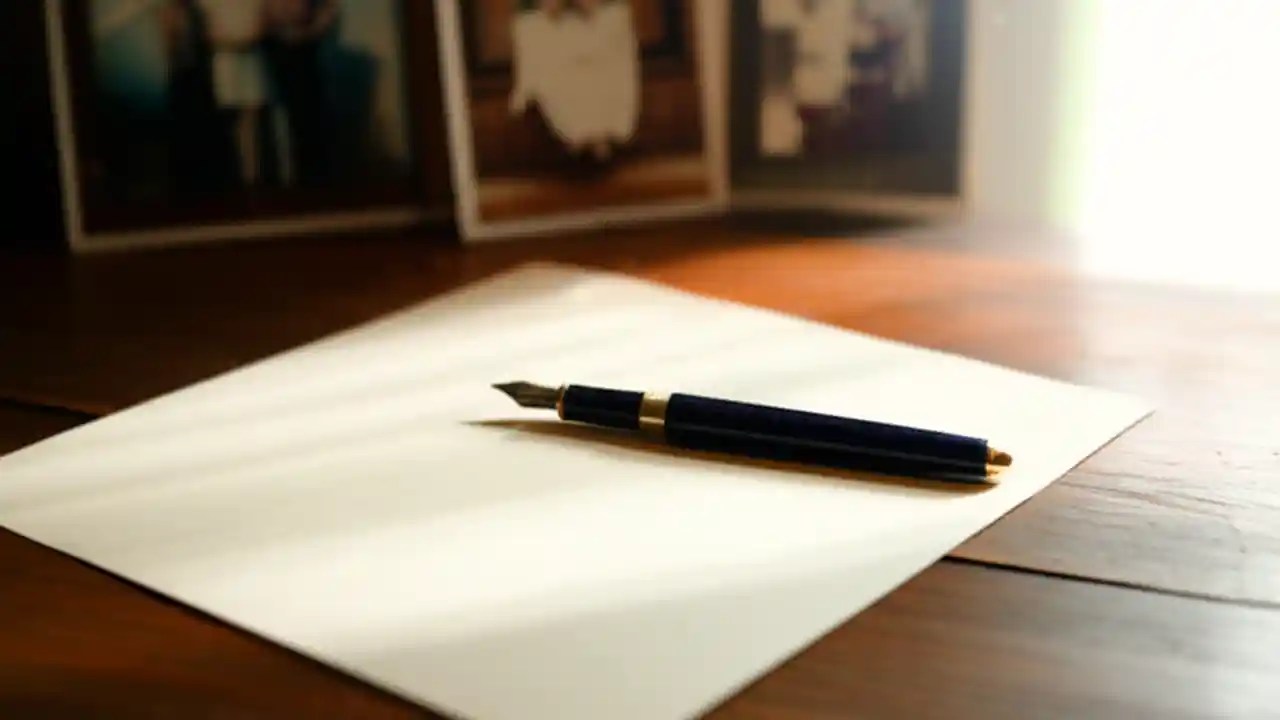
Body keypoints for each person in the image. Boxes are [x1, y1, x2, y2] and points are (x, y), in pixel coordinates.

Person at [509, 0, 640, 162]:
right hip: (547, 23)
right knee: (555, 63)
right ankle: (573, 132)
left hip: (596, 19)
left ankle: (605, 131)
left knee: (600, 63)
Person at [264, 0, 339, 187]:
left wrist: (310, 32)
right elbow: (264, 14)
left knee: (309, 120)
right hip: (274, 50)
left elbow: (330, 8)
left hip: (304, 52)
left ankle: (313, 179)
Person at [197, 0, 272, 186]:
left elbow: (259, 30)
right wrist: (236, 40)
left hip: (250, 62)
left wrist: (237, 40)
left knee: (251, 125)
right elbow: (209, 34)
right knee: (227, 121)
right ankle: (230, 179)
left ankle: (252, 179)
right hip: (226, 64)